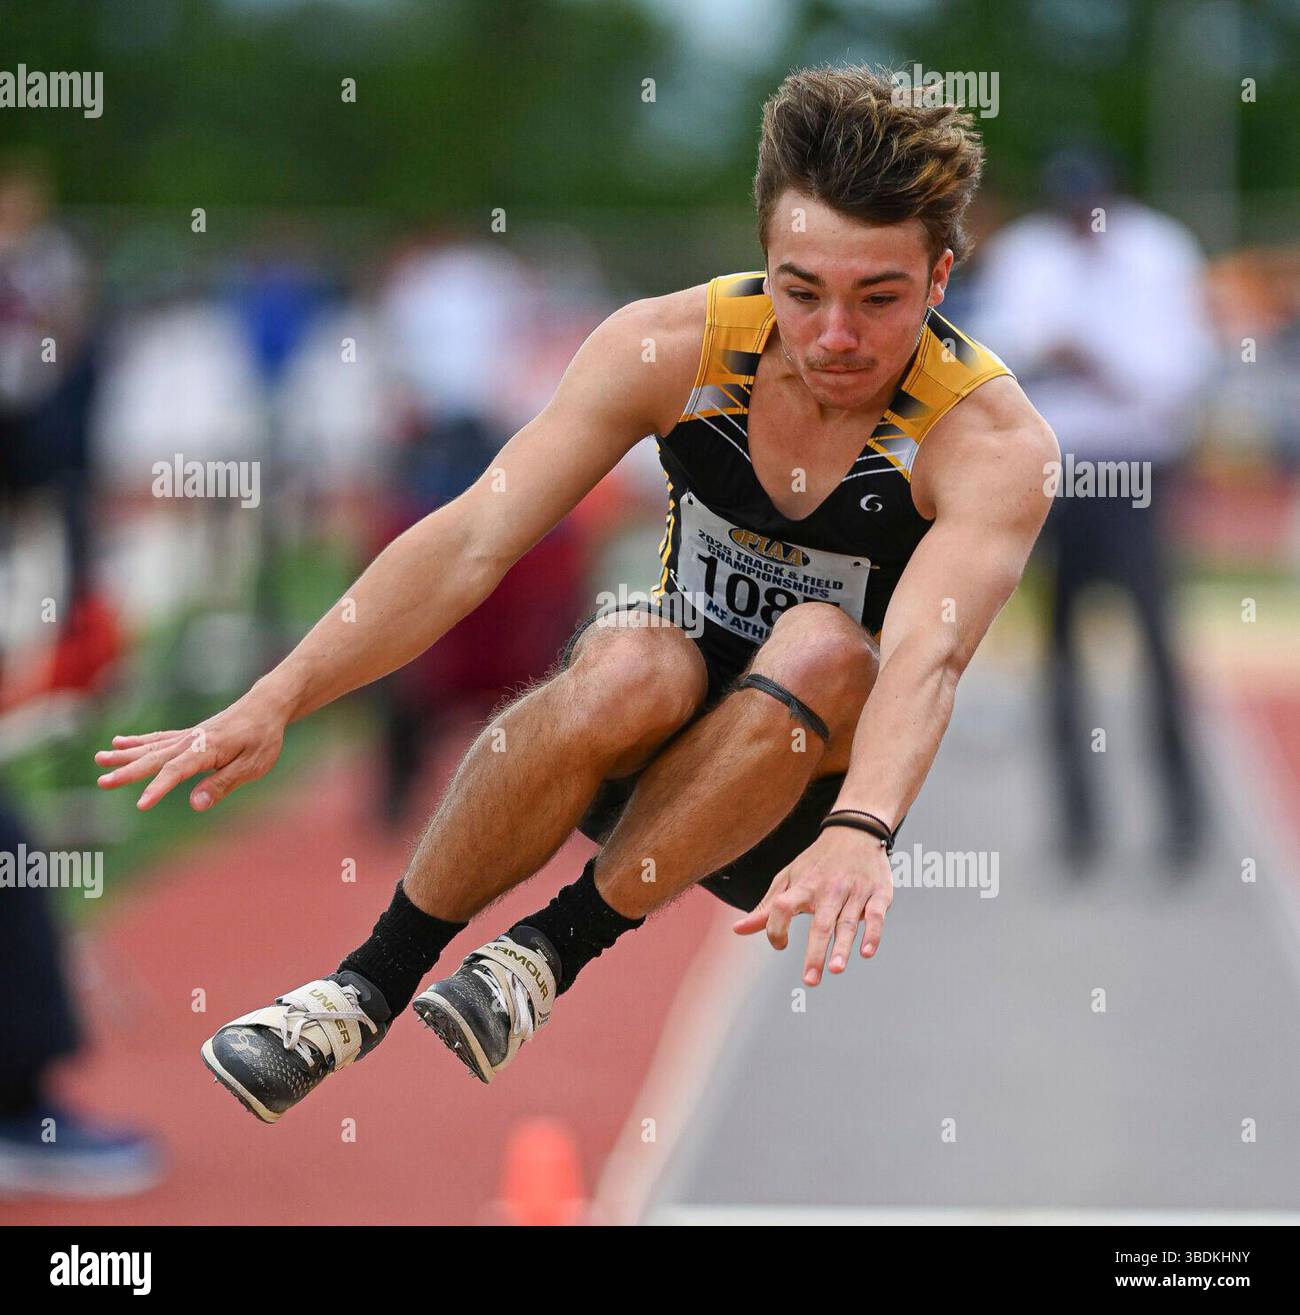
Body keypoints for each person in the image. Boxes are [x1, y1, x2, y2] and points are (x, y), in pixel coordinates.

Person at [94, 65, 1057, 1119]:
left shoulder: (988, 442)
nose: (834, 336)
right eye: (801, 290)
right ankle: (360, 986)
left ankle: (552, 949)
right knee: (631, 650)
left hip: (801, 793)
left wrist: (864, 830)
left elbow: (929, 653)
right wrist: (279, 693)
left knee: (828, 641)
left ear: (940, 281)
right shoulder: (670, 344)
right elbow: (471, 539)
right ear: (763, 265)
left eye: (878, 298)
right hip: (645, 727)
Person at [973, 146, 1214, 867]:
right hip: (1059, 473)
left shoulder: (1161, 249)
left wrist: (1093, 360)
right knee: (1059, 649)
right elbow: (999, 360)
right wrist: (1070, 362)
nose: (1082, 223)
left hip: (1139, 469)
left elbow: (1179, 368)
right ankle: (1078, 825)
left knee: (1157, 641)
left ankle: (1181, 820)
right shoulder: (1028, 255)